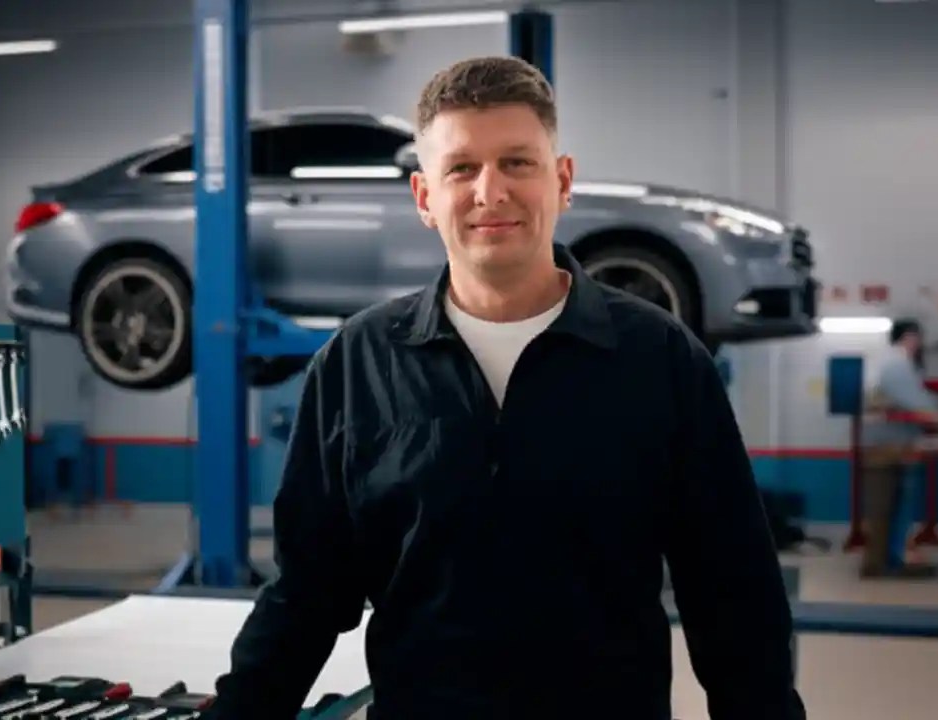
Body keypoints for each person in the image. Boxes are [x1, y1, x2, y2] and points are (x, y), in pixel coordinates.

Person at [204, 56, 804, 720]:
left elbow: (734, 599)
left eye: (517, 162)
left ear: (562, 180)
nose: (490, 191)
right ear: (424, 197)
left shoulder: (660, 359)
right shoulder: (357, 363)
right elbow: (306, 595)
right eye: (461, 168)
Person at [860, 318, 938, 578]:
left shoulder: (889, 363)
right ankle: (880, 564)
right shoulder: (896, 365)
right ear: (909, 338)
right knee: (885, 508)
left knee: (892, 508)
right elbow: (917, 403)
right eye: (917, 338)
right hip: (886, 448)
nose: (920, 345)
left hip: (889, 447)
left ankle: (891, 559)